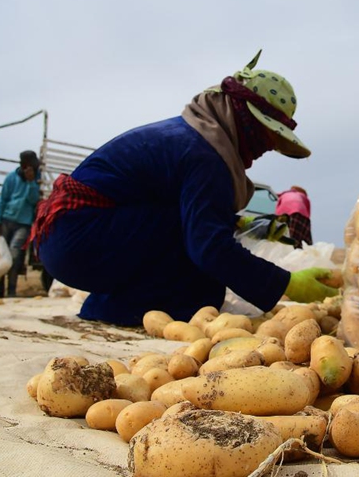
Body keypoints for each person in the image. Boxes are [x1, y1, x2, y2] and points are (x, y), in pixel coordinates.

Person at [30, 51, 338, 326]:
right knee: (202, 283)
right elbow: (208, 246)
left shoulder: (192, 136)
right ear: (242, 116)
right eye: (266, 134)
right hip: (79, 239)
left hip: (69, 239)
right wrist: (287, 283)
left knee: (204, 279)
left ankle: (114, 306)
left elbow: (175, 206)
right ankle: (113, 308)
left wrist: (236, 223)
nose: (267, 147)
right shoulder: (204, 153)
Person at [0, 150, 41, 297]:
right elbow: (2, 199)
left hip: (24, 223)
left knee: (15, 256)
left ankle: (12, 290)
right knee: (1, 257)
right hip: (7, 220)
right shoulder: (11, 178)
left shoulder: (35, 179)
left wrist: (31, 182)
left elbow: (34, 200)